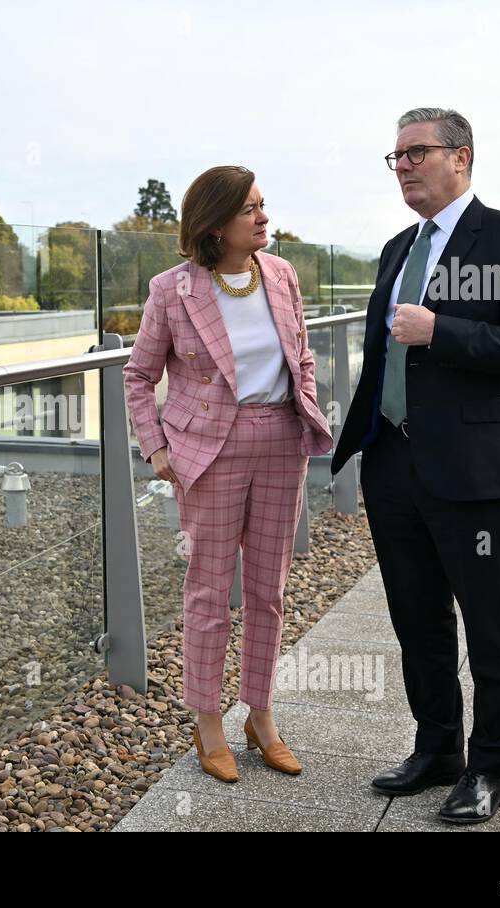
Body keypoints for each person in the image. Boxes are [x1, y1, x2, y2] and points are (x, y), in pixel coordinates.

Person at [330, 107, 500, 823]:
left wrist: (441, 330)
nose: (403, 166)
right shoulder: (398, 248)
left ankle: (490, 768)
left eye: (416, 152)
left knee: (488, 621)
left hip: (475, 469)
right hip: (394, 461)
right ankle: (437, 749)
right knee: (416, 616)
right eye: (395, 156)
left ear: (461, 157)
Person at [124, 165, 333, 783]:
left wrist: (306, 403)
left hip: (281, 443)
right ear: (215, 224)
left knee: (268, 591)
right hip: (208, 452)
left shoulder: (282, 274)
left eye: (263, 205)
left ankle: (261, 716)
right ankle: (208, 722)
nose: (263, 217)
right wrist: (156, 449)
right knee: (210, 592)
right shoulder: (173, 290)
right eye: (249, 209)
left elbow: (301, 356)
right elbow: (139, 375)